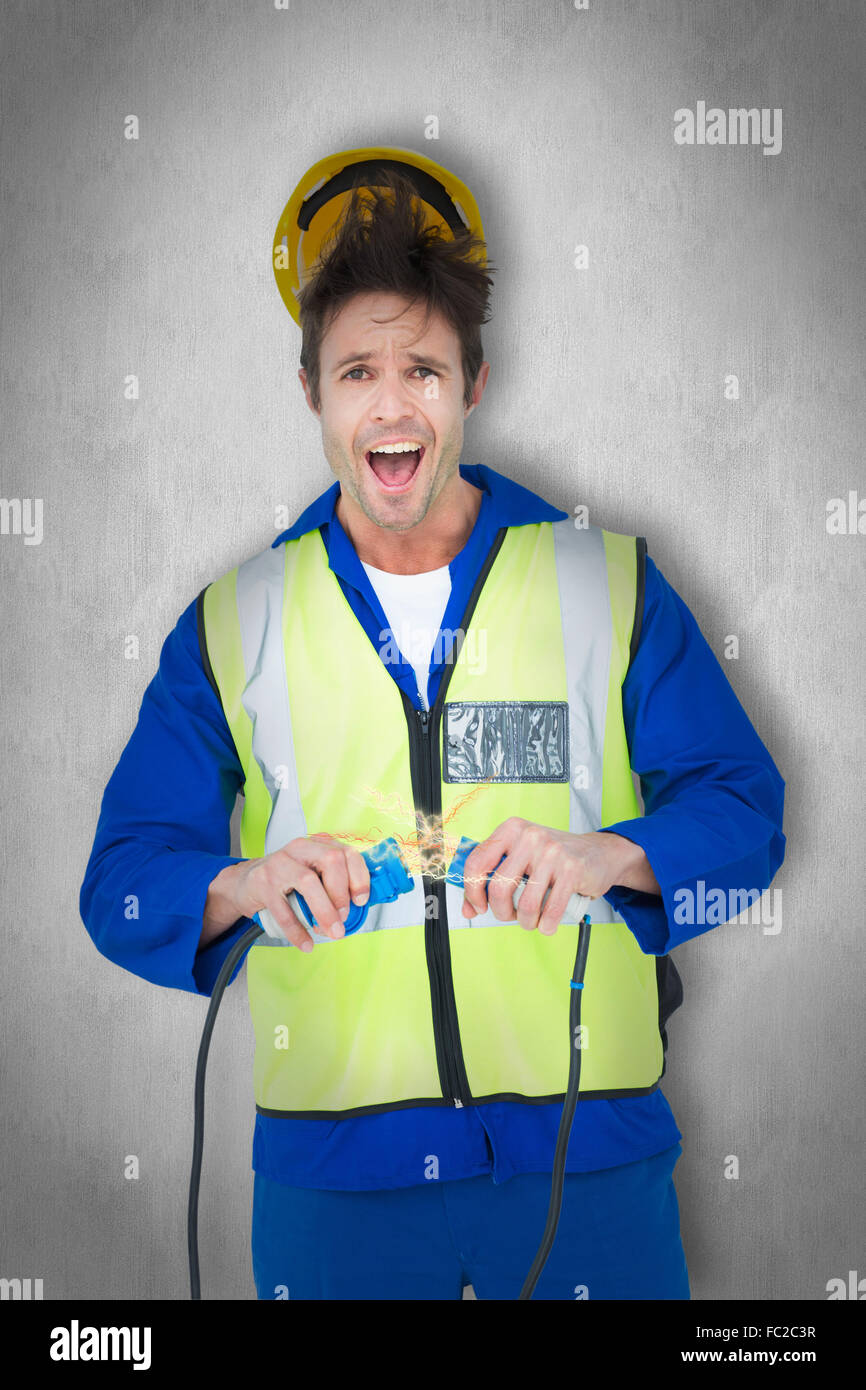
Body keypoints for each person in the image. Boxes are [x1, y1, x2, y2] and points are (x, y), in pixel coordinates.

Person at [80, 154, 786, 1301]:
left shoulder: (606, 581)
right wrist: (243, 885)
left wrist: (611, 854)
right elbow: (120, 880)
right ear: (311, 390)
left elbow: (744, 810)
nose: (392, 401)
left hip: (586, 1159)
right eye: (357, 369)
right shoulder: (230, 622)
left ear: (471, 385)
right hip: (331, 1188)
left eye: (423, 367)